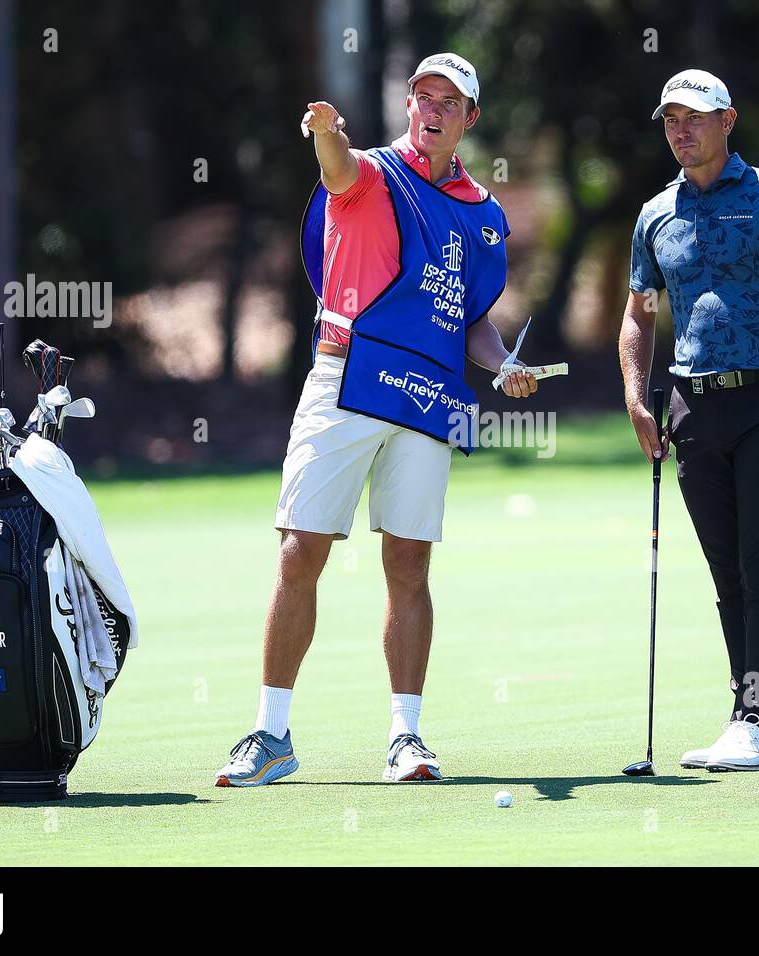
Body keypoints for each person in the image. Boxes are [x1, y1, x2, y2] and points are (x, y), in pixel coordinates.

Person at [216, 53, 539, 786]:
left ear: (469, 118)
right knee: (301, 549)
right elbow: (337, 171)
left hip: (425, 395)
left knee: (410, 565)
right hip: (346, 377)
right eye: (422, 97)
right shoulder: (370, 173)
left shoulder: (483, 215)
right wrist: (326, 132)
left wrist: (503, 366)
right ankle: (271, 734)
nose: (431, 110)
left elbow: (471, 324)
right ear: (408, 105)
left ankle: (407, 738)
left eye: (447, 102)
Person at [618, 69, 759, 771]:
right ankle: (742, 718)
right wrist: (633, 392)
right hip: (690, 408)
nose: (681, 130)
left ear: (728, 121)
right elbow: (638, 314)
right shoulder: (657, 213)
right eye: (671, 120)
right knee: (725, 571)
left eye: (695, 118)